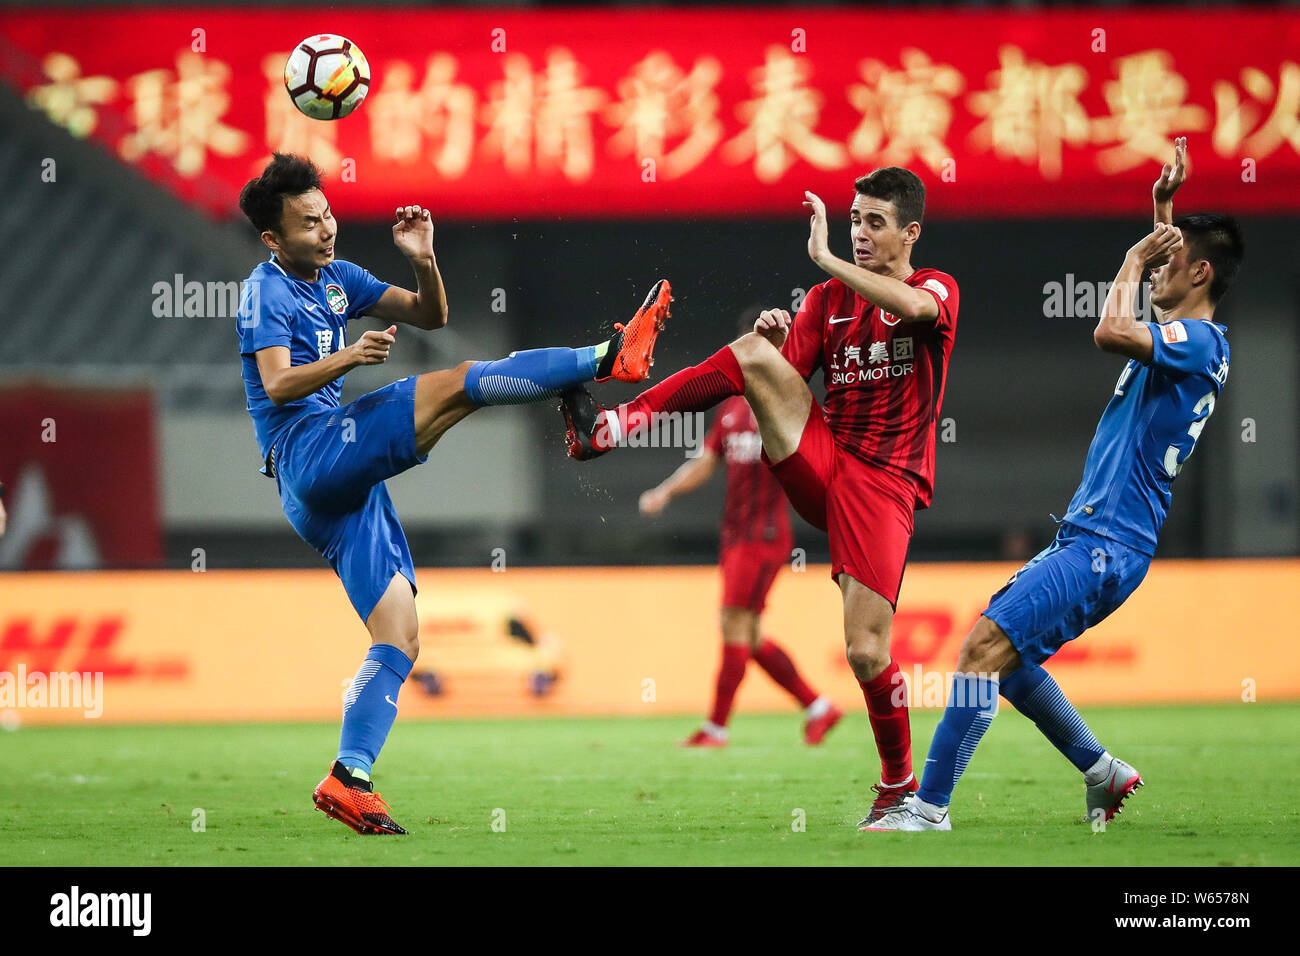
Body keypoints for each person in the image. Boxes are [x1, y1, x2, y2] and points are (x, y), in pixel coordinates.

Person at [236, 152, 671, 834]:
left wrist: (423, 259)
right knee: (462, 382)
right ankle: (604, 360)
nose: (325, 230)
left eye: (326, 215)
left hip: (331, 492)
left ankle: (349, 777)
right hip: (311, 453)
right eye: (306, 223)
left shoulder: (337, 278)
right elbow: (277, 385)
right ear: (272, 239)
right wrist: (350, 357)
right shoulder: (265, 290)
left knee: (400, 637)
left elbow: (429, 316)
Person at [560, 168, 959, 824]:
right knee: (750, 350)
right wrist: (775, 348)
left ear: (910, 232)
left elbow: (917, 312)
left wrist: (824, 258)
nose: (859, 233)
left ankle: (900, 791)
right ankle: (612, 424)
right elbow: (781, 382)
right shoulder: (827, 302)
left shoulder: (934, 287)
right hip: (825, 461)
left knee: (866, 652)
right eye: (853, 220)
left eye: (874, 223)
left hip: (886, 486)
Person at [867, 139, 1241, 831]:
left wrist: (1130, 260)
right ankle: (1103, 772)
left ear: (1202, 272)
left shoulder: (1204, 343)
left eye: (1171, 261)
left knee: (980, 647)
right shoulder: (1184, 340)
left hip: (1107, 541)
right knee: (1008, 660)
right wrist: (1164, 208)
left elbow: (1110, 329)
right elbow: (1151, 314)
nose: (1158, 268)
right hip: (1100, 538)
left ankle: (929, 810)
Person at [638, 323, 842, 746]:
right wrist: (664, 491)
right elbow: (705, 461)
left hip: (764, 536)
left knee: (734, 626)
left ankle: (717, 727)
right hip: (736, 536)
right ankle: (818, 707)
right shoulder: (731, 407)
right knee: (749, 637)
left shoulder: (788, 402)